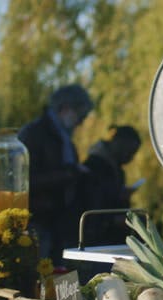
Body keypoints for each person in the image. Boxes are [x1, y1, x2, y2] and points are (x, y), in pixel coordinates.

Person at [18, 84, 94, 266]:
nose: (81, 123)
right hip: (38, 221)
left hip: (57, 222)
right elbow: (25, 181)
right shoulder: (35, 134)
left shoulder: (62, 136)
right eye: (81, 116)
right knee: (39, 275)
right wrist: (70, 174)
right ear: (66, 108)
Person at [80, 125, 142, 246]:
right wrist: (112, 220)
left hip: (109, 234)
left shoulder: (117, 169)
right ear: (118, 143)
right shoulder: (94, 166)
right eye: (130, 152)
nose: (131, 157)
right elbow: (91, 204)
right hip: (95, 237)